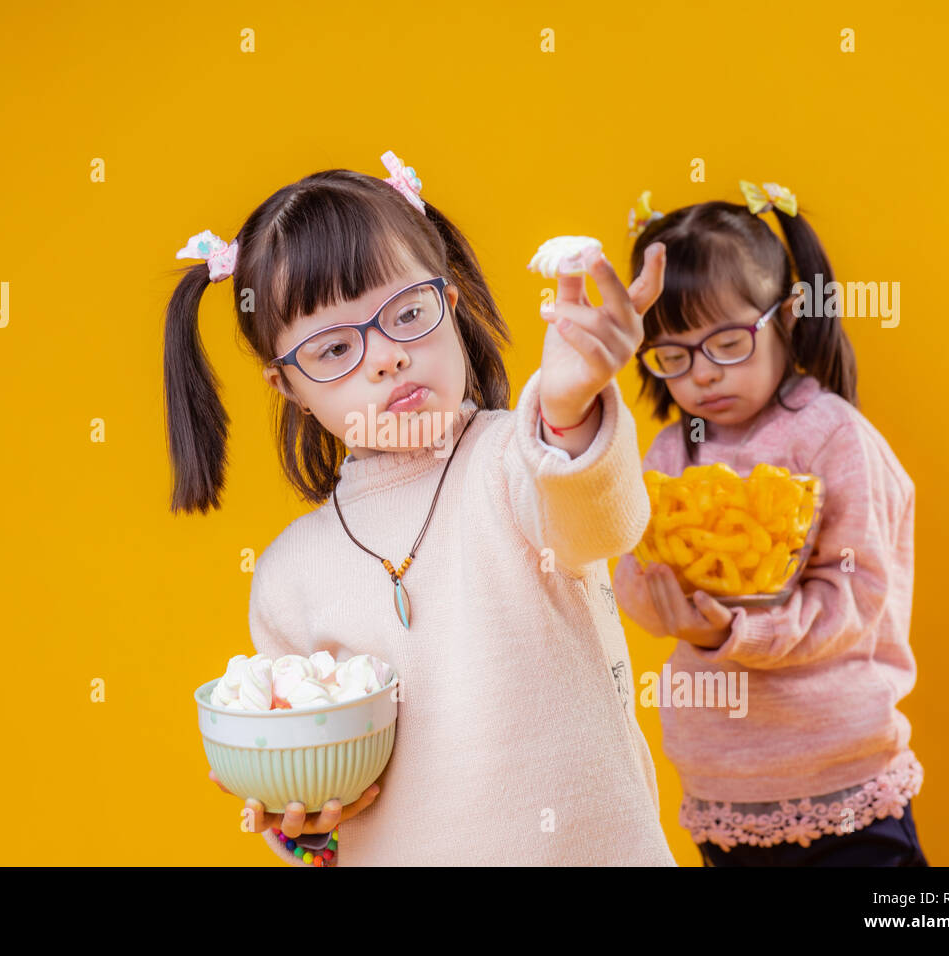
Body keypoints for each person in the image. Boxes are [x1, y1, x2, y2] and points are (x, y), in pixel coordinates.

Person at [166, 149, 675, 865]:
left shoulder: (516, 460)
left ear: (452, 303)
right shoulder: (287, 574)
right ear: (287, 387)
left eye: (407, 313)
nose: (386, 357)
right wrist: (303, 826)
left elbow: (600, 521)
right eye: (335, 348)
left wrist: (566, 407)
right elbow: (321, 810)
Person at [612, 183, 927, 866]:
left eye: (727, 342)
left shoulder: (831, 436)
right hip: (723, 786)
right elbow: (634, 578)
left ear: (785, 315)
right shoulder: (674, 452)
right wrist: (666, 607)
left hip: (841, 779)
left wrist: (731, 632)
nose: (702, 376)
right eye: (673, 356)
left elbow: (857, 599)